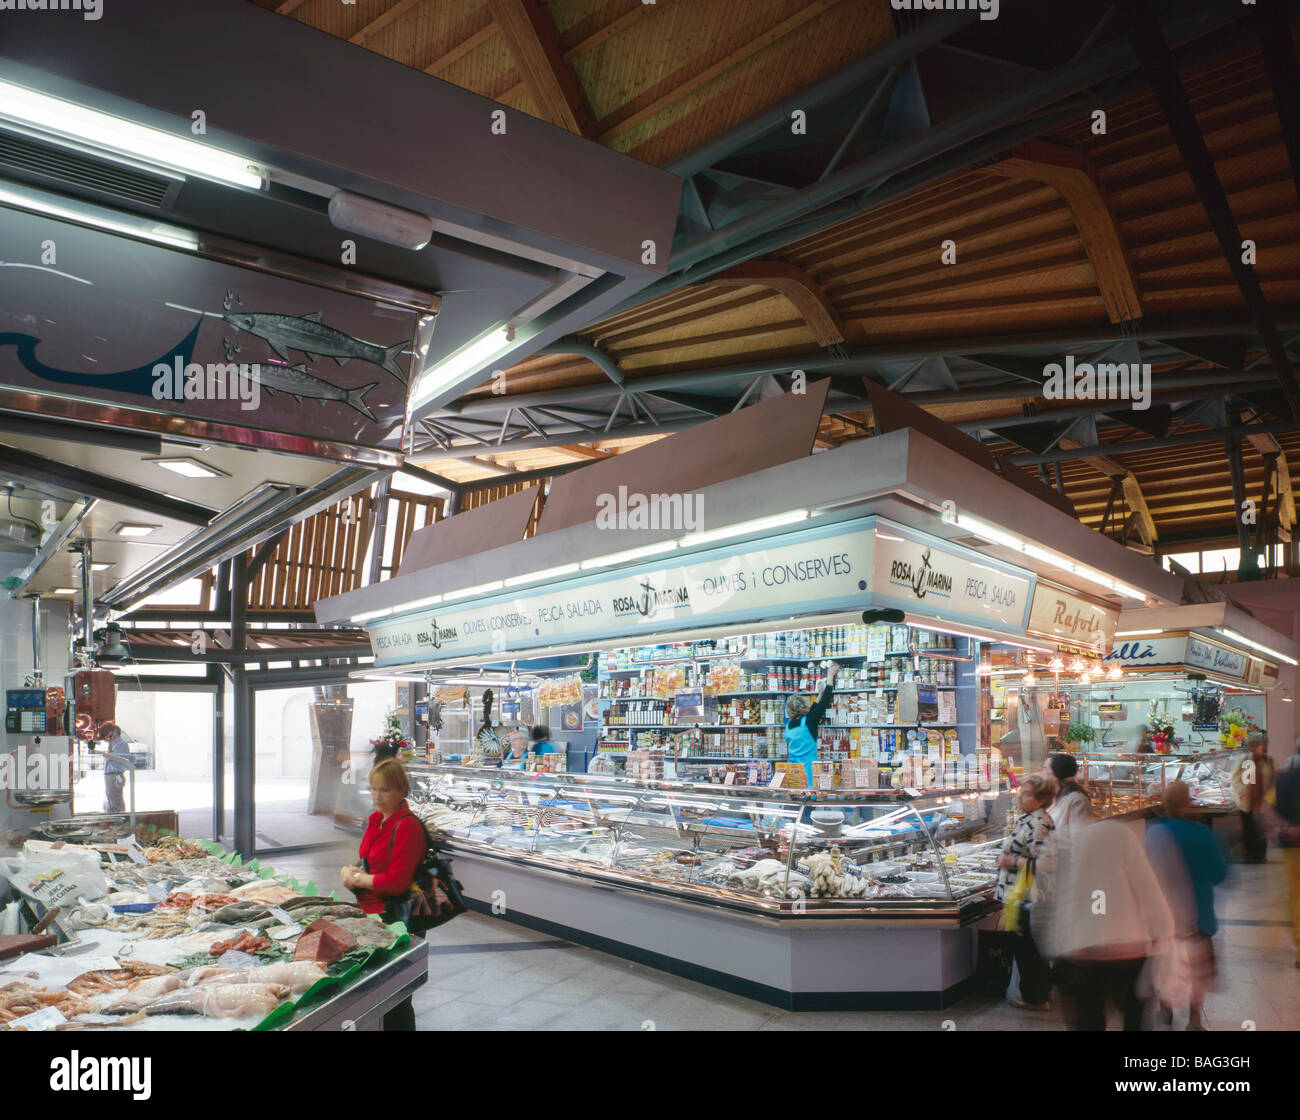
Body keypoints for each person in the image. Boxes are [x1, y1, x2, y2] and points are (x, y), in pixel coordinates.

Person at [1046, 817, 1174, 1031]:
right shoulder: (1121, 835)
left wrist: (1057, 942)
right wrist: (1164, 931)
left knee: (1088, 1019)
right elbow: (1148, 890)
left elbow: (1058, 897)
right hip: (1128, 948)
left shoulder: (1065, 839)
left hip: (1083, 950)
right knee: (1134, 1019)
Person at [340, 758, 426, 1031]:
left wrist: (362, 879)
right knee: (377, 996)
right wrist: (350, 872)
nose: (377, 797)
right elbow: (366, 859)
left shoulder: (407, 825)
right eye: (373, 789)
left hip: (399, 920)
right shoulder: (376, 819)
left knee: (396, 998)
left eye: (385, 790)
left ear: (402, 790)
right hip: (373, 918)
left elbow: (398, 882)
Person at [1144, 780, 1227, 1029]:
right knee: (1198, 969)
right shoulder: (1202, 833)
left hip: (1164, 917)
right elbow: (1219, 874)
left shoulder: (1154, 832)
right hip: (1199, 916)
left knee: (1165, 965)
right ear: (1187, 802)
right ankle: (1194, 1017)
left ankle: (1165, 1010)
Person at [996, 772, 1057, 1011]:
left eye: (1026, 793)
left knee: (1028, 949)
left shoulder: (1040, 822)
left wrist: (1011, 862)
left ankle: (1034, 997)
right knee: (1029, 947)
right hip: (1022, 894)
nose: (1019, 796)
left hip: (1030, 895)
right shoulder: (1029, 817)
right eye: (1020, 791)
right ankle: (1041, 992)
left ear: (1041, 800)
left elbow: (1048, 863)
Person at [1266, 739, 1300, 967]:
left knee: (1296, 896)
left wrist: (1283, 827)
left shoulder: (1284, 777)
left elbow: (1267, 806)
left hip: (1292, 847)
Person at [784, 662, 840, 785]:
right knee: (808, 800)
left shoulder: (789, 726)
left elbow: (814, 709)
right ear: (803, 707)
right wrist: (830, 676)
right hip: (808, 773)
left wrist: (819, 693)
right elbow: (823, 703)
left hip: (792, 772)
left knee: (794, 801)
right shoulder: (808, 722)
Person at [1231, 732, 1276, 863]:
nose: (1265, 748)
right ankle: (1250, 855)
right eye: (1262, 745)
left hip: (1263, 802)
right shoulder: (1245, 761)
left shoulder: (1269, 761)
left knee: (1261, 828)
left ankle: (1261, 855)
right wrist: (1245, 792)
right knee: (1249, 828)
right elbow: (1237, 781)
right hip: (1247, 802)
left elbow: (1272, 781)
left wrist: (1268, 798)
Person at [1044, 753, 1094, 845]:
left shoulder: (1077, 801)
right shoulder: (1055, 797)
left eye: (1045, 769)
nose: (1043, 773)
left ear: (1056, 775)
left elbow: (1080, 842)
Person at [102, 723, 132, 814]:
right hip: (111, 775)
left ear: (115, 733)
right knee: (111, 799)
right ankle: (112, 817)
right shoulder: (113, 743)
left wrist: (108, 755)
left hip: (114, 775)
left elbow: (114, 759)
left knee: (115, 800)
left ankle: (118, 821)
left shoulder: (120, 744)